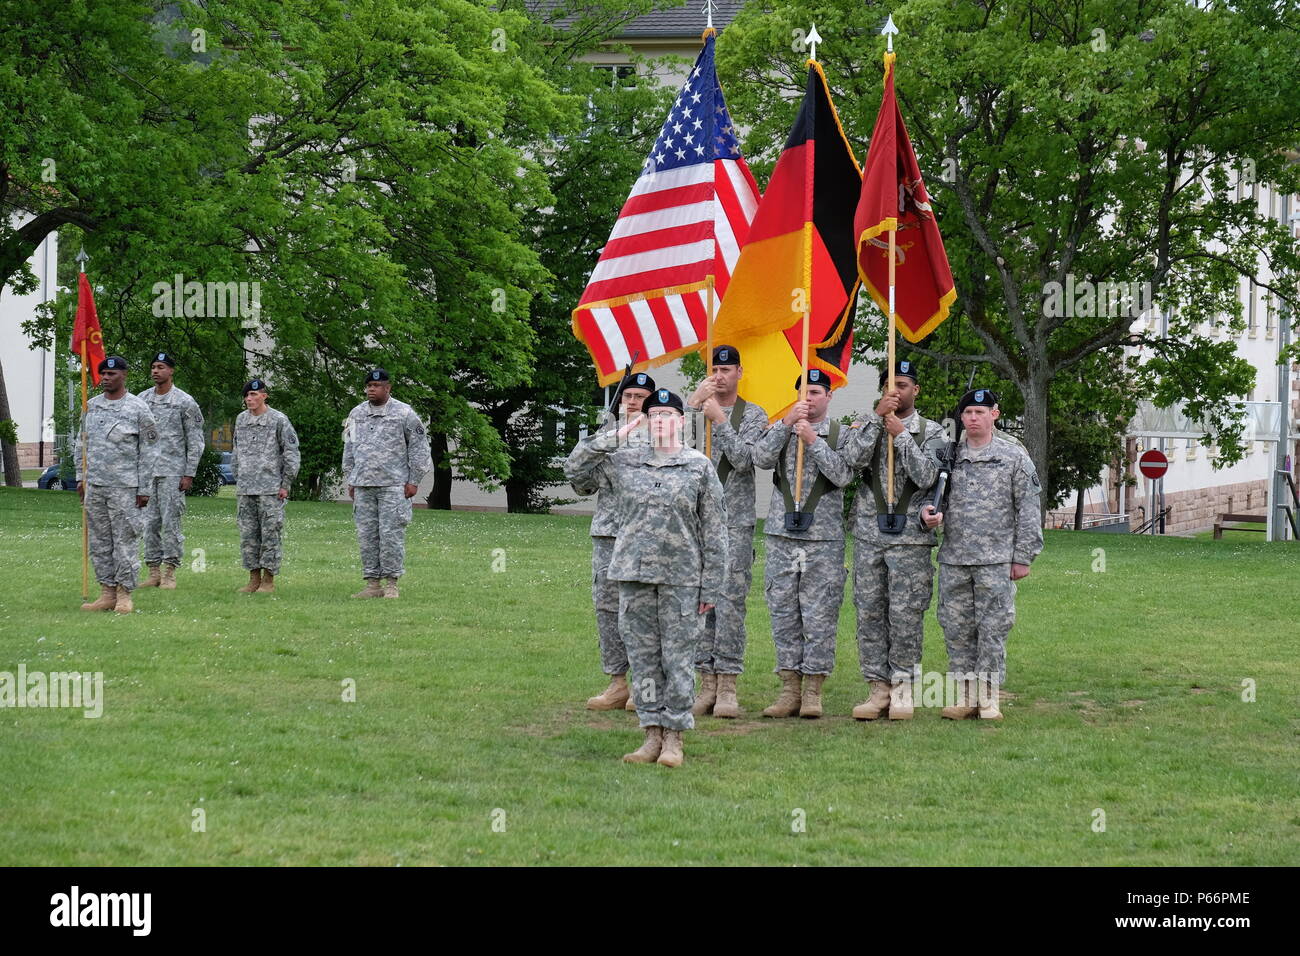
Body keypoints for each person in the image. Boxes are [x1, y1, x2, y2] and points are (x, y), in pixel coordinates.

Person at [564, 388, 726, 768]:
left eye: (668, 415)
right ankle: (650, 733)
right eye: (653, 416)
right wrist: (617, 434)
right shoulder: (624, 462)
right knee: (644, 659)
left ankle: (674, 738)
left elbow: (715, 532)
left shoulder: (698, 467)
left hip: (682, 580)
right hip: (634, 577)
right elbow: (575, 469)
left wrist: (712, 585)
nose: (660, 422)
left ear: (681, 421)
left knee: (678, 659)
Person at [921, 388, 1043, 720]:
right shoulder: (949, 457)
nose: (973, 418)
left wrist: (1023, 556)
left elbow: (1029, 508)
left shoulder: (1013, 455)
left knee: (993, 628)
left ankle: (989, 696)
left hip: (996, 560)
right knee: (956, 628)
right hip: (955, 558)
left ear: (994, 414)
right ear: (960, 418)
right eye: (968, 413)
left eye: (980, 412)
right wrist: (927, 514)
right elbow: (929, 497)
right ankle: (964, 695)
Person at [843, 360, 947, 720]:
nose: (895, 391)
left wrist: (901, 433)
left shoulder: (932, 432)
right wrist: (876, 421)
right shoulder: (866, 425)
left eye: (902, 385)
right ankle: (877, 689)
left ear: (915, 390)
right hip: (870, 534)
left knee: (905, 615)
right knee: (869, 612)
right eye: (890, 384)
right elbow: (849, 464)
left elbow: (926, 476)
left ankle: (903, 688)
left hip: (909, 540)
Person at [751, 369, 854, 719]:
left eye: (816, 392)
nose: (809, 399)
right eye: (804, 392)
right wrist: (785, 427)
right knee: (784, 613)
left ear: (829, 396)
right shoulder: (781, 428)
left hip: (822, 539)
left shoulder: (840, 433)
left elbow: (842, 475)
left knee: (819, 615)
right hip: (782, 535)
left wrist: (813, 440)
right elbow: (760, 460)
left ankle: (813, 690)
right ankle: (789, 688)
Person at [686, 345, 769, 718]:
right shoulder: (695, 412)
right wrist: (693, 409)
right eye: (713, 370)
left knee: (730, 603)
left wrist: (719, 420)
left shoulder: (753, 415)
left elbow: (744, 461)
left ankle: (728, 684)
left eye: (726, 369)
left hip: (733, 522)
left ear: (739, 372)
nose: (718, 376)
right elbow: (672, 451)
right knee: (699, 603)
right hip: (694, 522)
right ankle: (706, 682)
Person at [568, 372, 654, 711]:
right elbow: (575, 473)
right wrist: (608, 438)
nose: (631, 402)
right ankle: (617, 682)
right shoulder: (608, 436)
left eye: (639, 396)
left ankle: (643, 685)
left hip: (646, 534)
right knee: (607, 609)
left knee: (642, 612)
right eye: (627, 396)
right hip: (608, 534)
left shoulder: (662, 438)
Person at [75, 356, 161, 613]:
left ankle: (125, 594)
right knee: (100, 542)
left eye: (111, 374)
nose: (106, 378)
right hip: (96, 486)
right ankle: (107, 593)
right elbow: (81, 444)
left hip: (126, 488)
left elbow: (150, 450)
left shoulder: (138, 408)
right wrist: (81, 477)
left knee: (125, 541)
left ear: (124, 375)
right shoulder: (91, 406)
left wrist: (145, 487)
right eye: (103, 374)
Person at [342, 369, 432, 598]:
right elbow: (349, 447)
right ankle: (373, 584)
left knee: (391, 535)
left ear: (388, 388)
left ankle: (392, 584)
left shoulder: (404, 413)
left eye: (376, 385)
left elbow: (419, 448)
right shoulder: (357, 413)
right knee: (367, 536)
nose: (371, 389)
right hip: (364, 485)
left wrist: (414, 480)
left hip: (393, 485)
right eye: (369, 385)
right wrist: (351, 477)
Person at [136, 352, 205, 589]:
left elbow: (195, 440)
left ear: (171, 371)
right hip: (147, 473)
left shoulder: (184, 401)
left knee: (171, 523)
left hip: (173, 472)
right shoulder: (142, 400)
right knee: (148, 523)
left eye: (161, 367)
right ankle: (153, 571)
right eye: (153, 367)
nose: (156, 371)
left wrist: (189, 473)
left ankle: (170, 572)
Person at [231, 379, 301, 594]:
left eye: (254, 395)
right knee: (248, 536)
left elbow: (291, 452)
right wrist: (238, 476)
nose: (250, 399)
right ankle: (253, 578)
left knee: (270, 534)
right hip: (246, 488)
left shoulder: (278, 419)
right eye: (247, 396)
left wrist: (285, 483)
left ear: (264, 395)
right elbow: (236, 450)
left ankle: (268, 579)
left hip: (270, 488)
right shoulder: (241, 419)